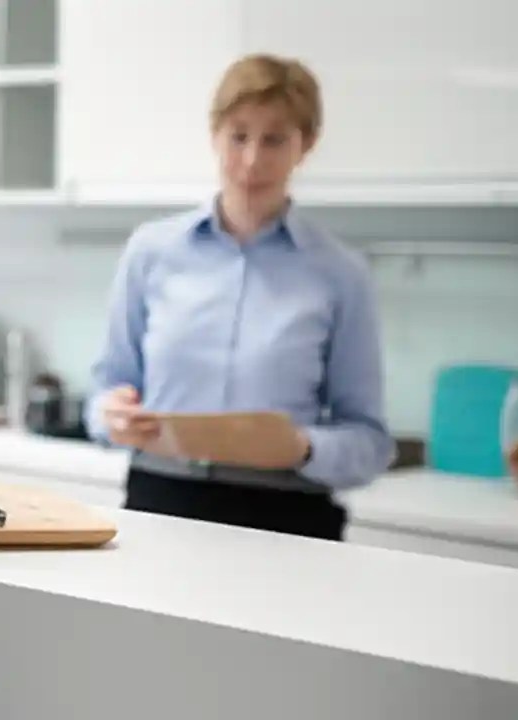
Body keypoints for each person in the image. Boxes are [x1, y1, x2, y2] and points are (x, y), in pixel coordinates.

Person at [85, 54, 395, 541]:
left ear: (306, 145)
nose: (252, 160)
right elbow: (105, 390)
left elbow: (371, 442)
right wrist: (112, 415)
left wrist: (302, 448)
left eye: (275, 139)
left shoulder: (340, 273)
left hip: (288, 519)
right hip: (159, 504)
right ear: (214, 134)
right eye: (239, 136)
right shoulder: (152, 251)